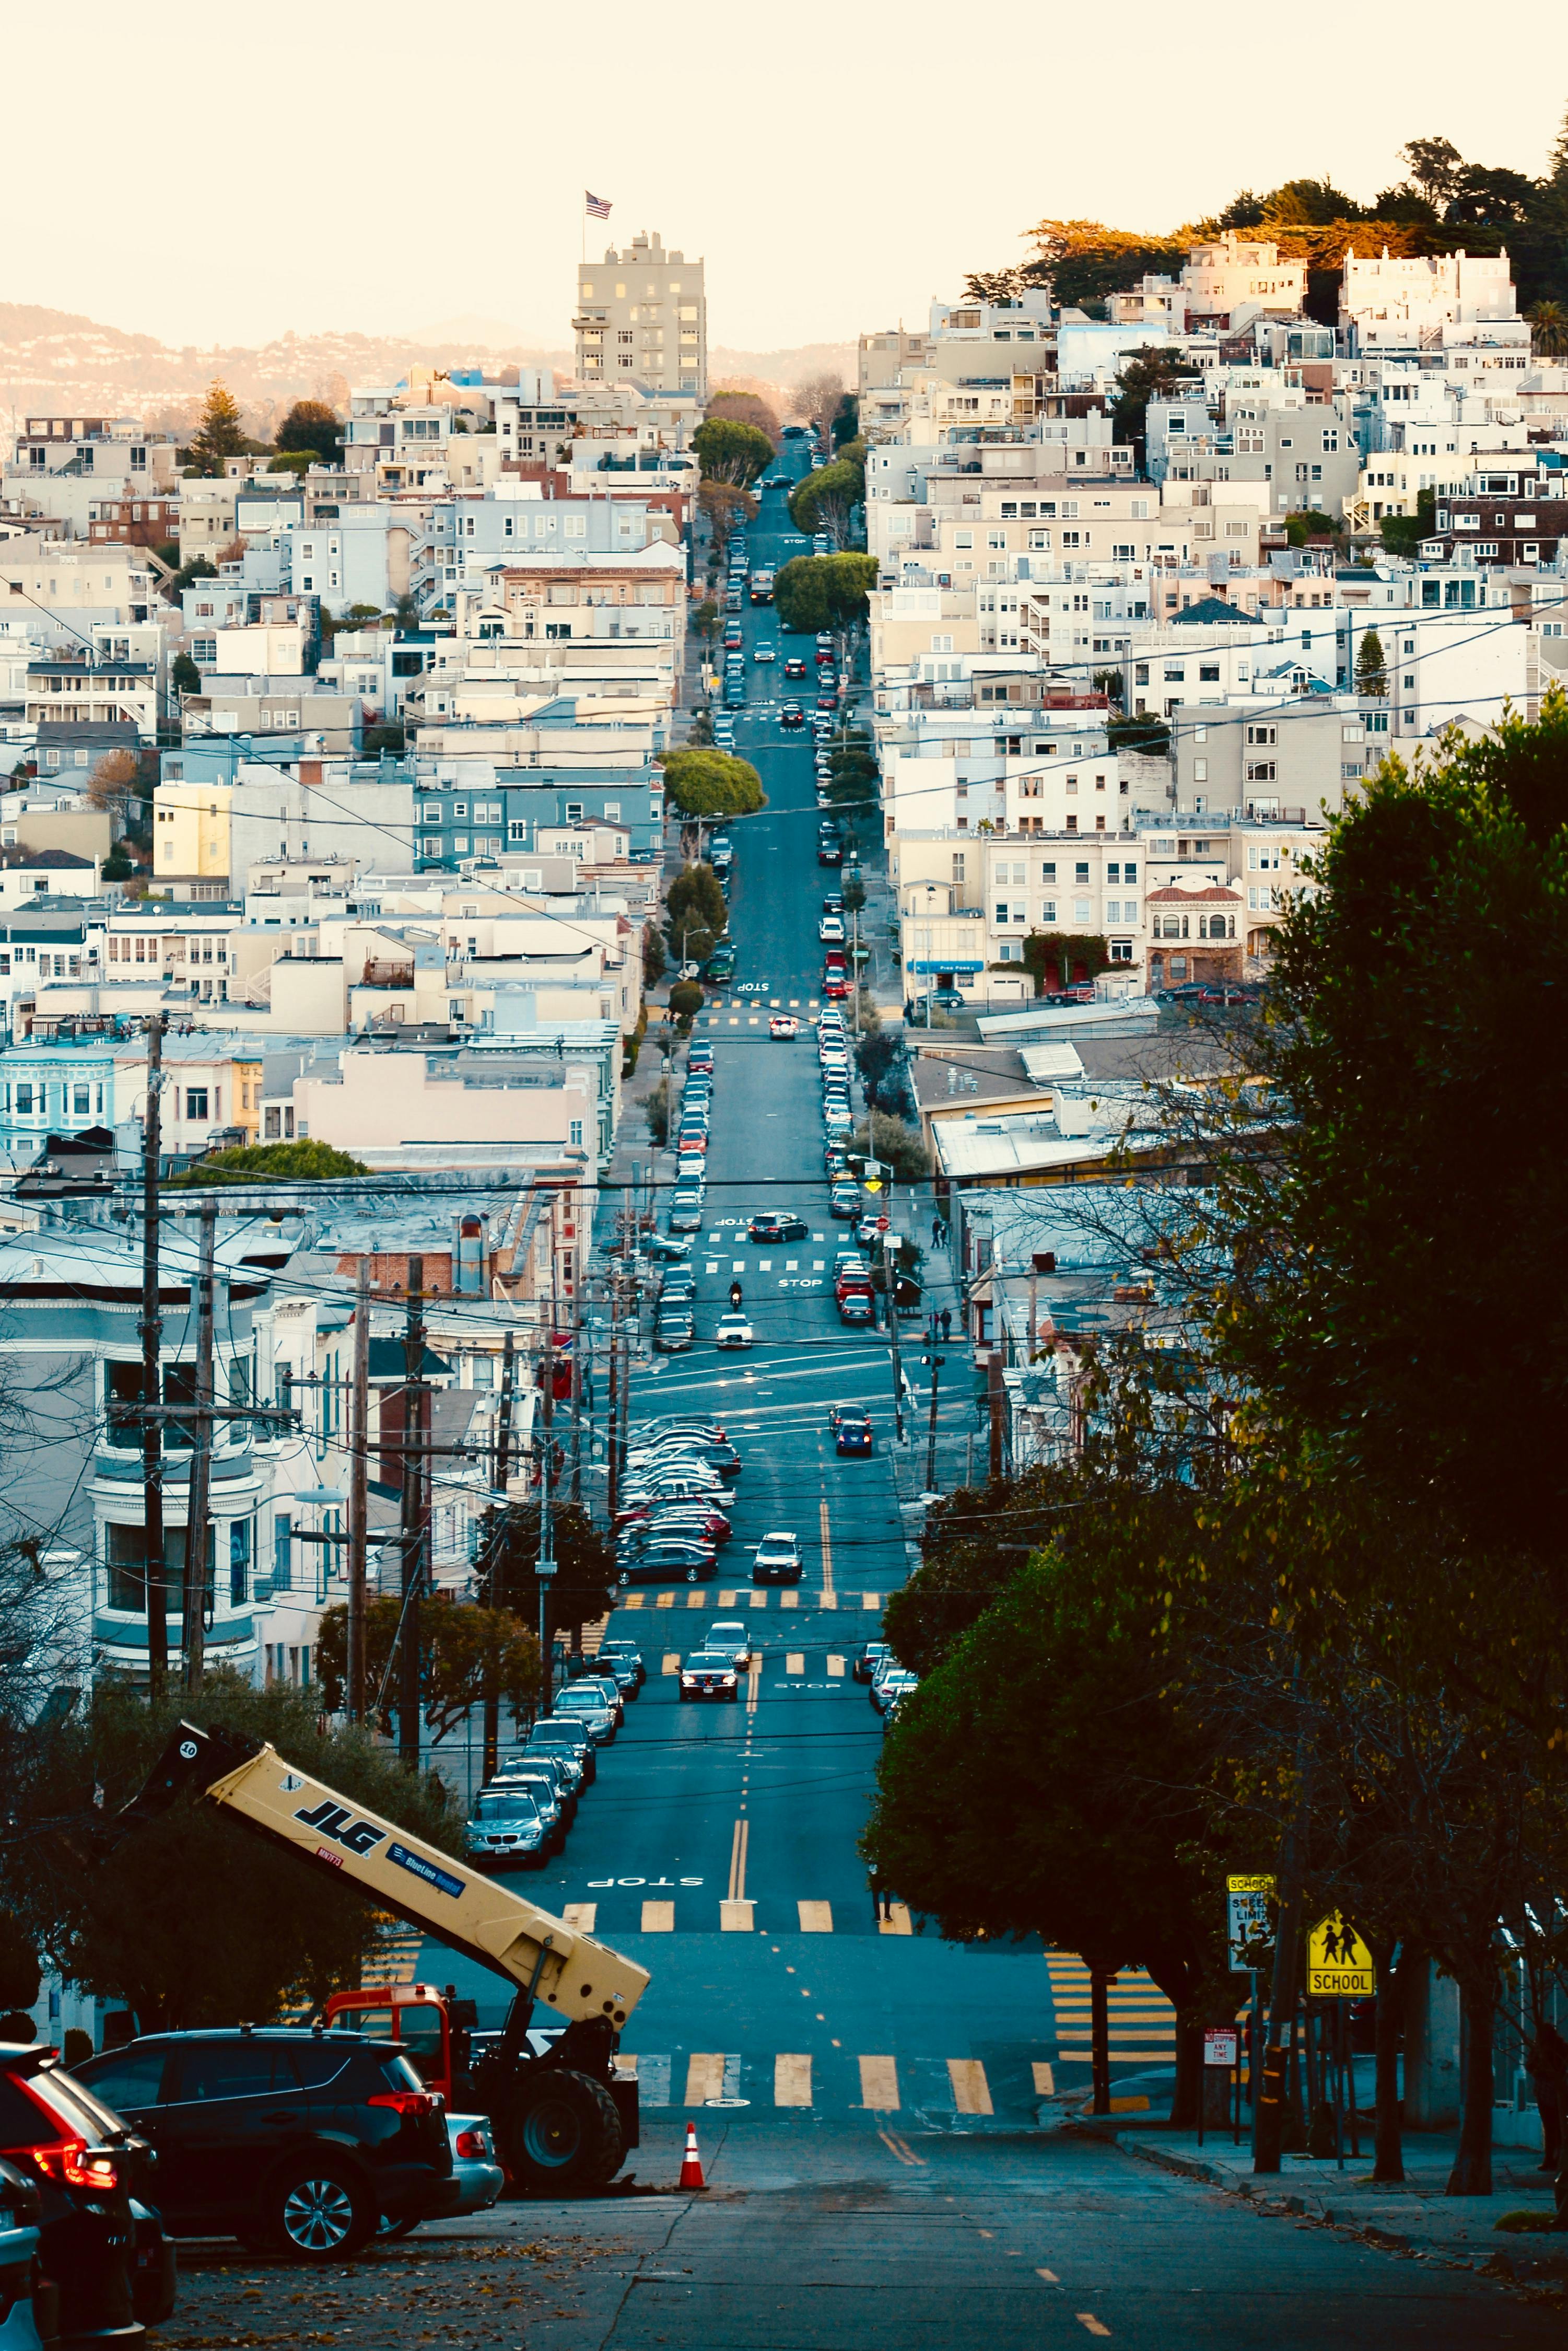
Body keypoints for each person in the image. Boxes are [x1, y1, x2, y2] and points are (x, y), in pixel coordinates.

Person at [1526, 2021, 1568, 2171]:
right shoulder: (1561, 2047)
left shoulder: (1541, 2049)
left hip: (1547, 2089)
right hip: (1558, 2089)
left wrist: (1538, 2070)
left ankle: (1552, 2159)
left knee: (1551, 2127)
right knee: (1557, 2126)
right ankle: (1556, 2158)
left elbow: (1530, 2066)